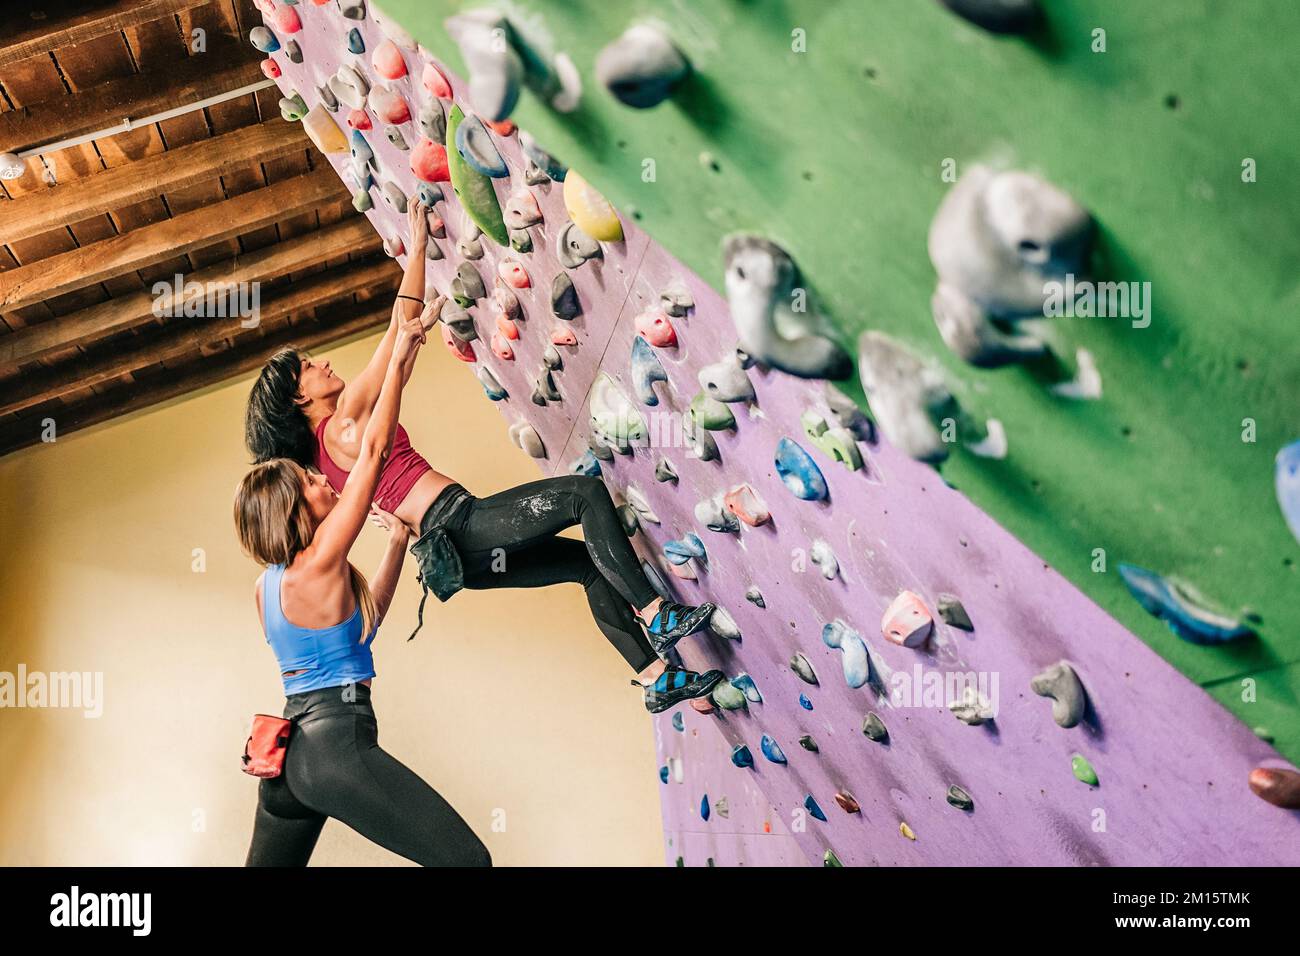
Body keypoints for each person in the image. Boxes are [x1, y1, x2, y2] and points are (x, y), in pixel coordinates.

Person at [244, 200, 723, 714]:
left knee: (585, 566)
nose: (324, 363)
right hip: (461, 524)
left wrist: (417, 272)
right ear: (299, 399)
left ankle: (659, 678)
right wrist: (419, 251)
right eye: (310, 368)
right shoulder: (342, 423)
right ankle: (656, 616)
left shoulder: (335, 444)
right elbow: (396, 334)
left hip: (458, 560)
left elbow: (399, 341)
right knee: (583, 495)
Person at [236, 311, 490, 867]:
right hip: (334, 750)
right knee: (468, 862)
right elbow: (373, 456)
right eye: (310, 481)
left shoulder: (267, 587)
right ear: (295, 508)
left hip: (287, 762)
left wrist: (397, 544)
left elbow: (361, 628)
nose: (323, 478)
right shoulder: (323, 557)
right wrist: (398, 364)